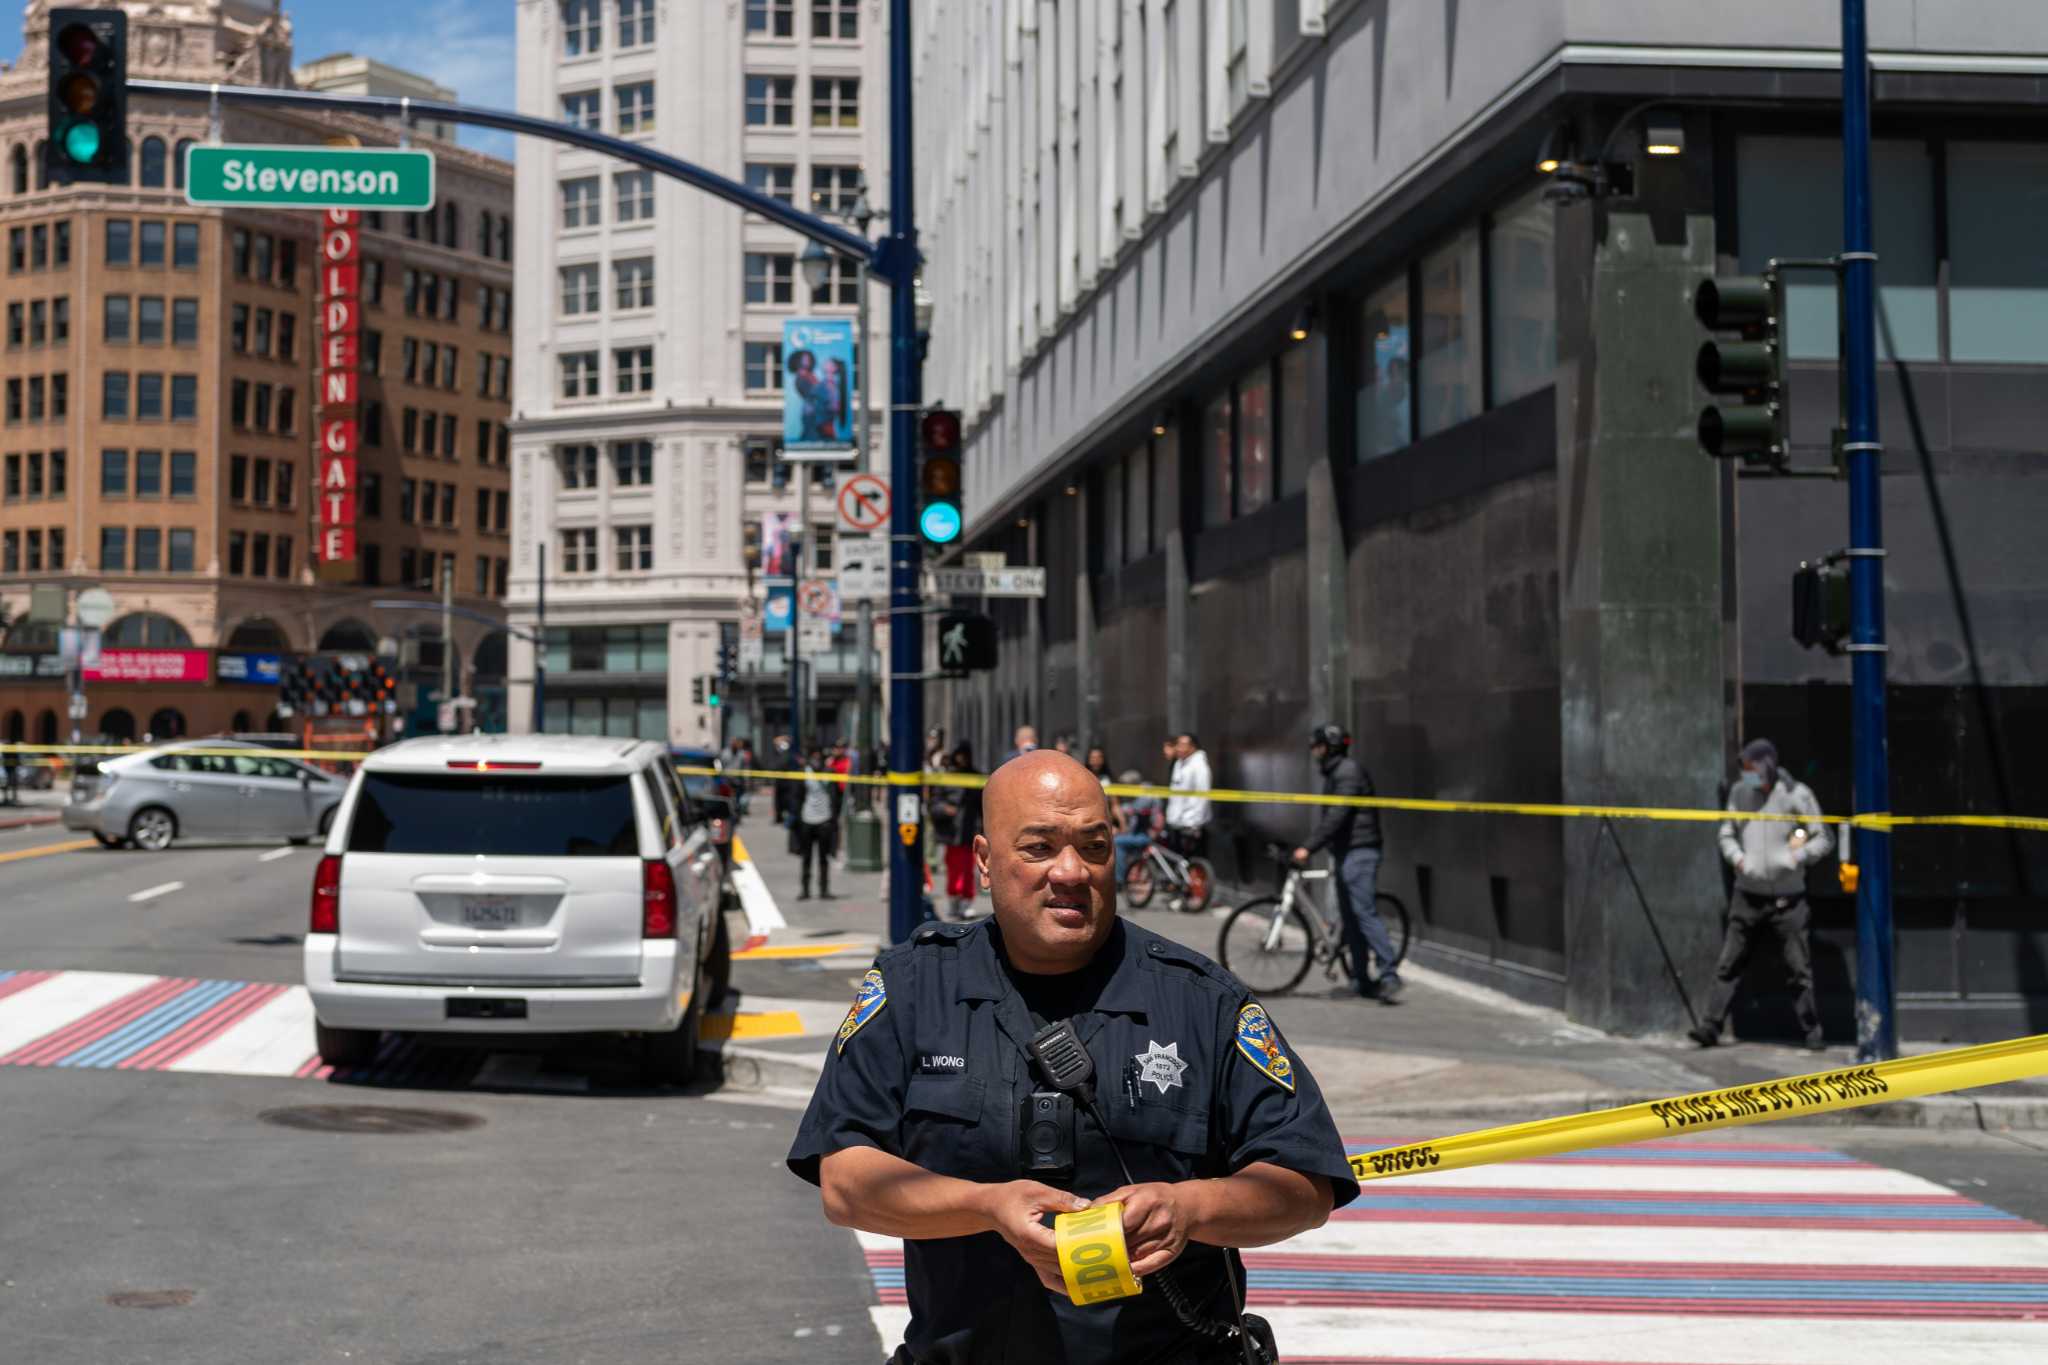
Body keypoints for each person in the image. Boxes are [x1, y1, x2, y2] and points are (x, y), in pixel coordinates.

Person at [788, 751, 1357, 1364]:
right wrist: (987, 1207)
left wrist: (1189, 1208)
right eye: (1039, 848)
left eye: (1094, 847)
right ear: (984, 860)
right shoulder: (913, 988)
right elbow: (846, 1182)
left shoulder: (1202, 1002)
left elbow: (1306, 1184)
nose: (1071, 871)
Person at [1691, 738, 1833, 1050]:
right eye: (1743, 769)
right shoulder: (1739, 793)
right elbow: (1727, 833)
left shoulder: (1797, 795)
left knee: (1798, 968)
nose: (1746, 776)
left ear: (1766, 767)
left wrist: (1795, 858)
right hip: (1748, 895)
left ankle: (1812, 1032)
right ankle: (1710, 1026)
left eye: (1751, 769)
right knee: (1729, 964)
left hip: (1788, 898)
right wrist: (1739, 859)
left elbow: (1823, 838)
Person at [1292, 724, 1401, 1003]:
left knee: (1363, 913)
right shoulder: (1336, 772)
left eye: (1317, 746)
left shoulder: (1348, 772)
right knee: (1350, 918)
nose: (1314, 752)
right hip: (1346, 851)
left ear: (1329, 747)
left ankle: (1389, 974)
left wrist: (1308, 847)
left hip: (1359, 851)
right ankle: (1361, 979)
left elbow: (1338, 814)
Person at [929, 745, 984, 920]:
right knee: (953, 868)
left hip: (970, 831)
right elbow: (934, 804)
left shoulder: (975, 776)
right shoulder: (946, 777)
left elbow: (982, 805)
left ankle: (966, 901)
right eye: (959, 756)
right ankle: (954, 899)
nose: (961, 760)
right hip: (952, 833)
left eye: (964, 756)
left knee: (968, 869)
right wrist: (945, 809)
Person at [795, 746, 844, 900]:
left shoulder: (830, 772)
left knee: (824, 858)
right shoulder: (804, 773)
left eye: (819, 757)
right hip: (807, 820)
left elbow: (837, 796)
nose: (816, 761)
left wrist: (833, 819)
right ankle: (805, 890)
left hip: (825, 820)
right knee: (806, 858)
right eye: (814, 757)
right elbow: (797, 796)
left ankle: (824, 889)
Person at [1165, 733, 1212, 858]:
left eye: (1182, 745)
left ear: (1193, 747)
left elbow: (1203, 796)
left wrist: (1195, 823)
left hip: (1191, 824)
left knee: (1194, 861)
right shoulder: (1179, 764)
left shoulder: (1199, 766)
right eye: (1177, 744)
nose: (1178, 748)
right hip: (1177, 823)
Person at [1112, 768, 1161, 889]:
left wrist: (1117, 805)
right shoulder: (1140, 793)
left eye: (1126, 786)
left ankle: (1119, 880)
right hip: (1138, 832)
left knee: (1116, 842)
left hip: (1145, 834)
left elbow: (1128, 810)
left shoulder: (1145, 795)